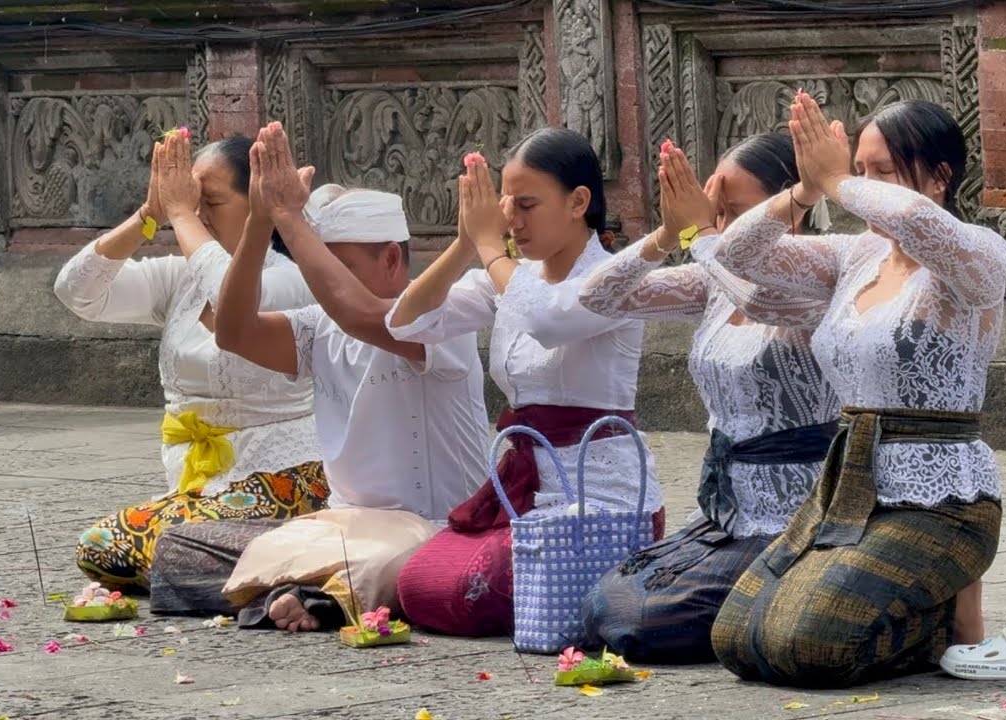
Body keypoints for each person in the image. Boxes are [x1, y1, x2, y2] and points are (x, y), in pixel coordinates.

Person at [705, 94, 1006, 687]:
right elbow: (735, 252)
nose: (864, 186)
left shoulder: (976, 253)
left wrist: (839, 179)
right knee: (738, 634)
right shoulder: (854, 256)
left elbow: (920, 223)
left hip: (942, 501)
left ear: (940, 176)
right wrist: (806, 191)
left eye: (883, 171)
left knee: (811, 641)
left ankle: (941, 626)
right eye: (861, 168)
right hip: (847, 490)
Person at [150, 122, 489, 631]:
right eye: (315, 266)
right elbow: (234, 331)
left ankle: (315, 592)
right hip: (341, 527)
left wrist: (288, 217)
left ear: (391, 258)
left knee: (399, 564)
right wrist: (261, 223)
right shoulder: (320, 325)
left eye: (334, 264)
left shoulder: (440, 316)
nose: (320, 283)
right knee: (178, 549)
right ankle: (308, 588)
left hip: (431, 530)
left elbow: (359, 314)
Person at [387, 128, 667, 637]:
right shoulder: (511, 278)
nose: (512, 220)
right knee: (416, 582)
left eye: (528, 204)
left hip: (599, 499)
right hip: (520, 491)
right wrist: (465, 243)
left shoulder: (613, 279)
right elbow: (405, 323)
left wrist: (493, 249)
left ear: (579, 201)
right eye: (506, 204)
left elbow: (549, 319)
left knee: (462, 594)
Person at [575, 133, 839, 663]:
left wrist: (700, 235)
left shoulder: (824, 278)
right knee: (602, 605)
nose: (720, 224)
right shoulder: (714, 278)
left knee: (640, 620)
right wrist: (670, 232)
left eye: (733, 211)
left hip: (796, 514)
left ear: (788, 207)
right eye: (714, 211)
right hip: (727, 514)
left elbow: (759, 296)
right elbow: (598, 296)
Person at [56, 130, 324, 589]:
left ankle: (279, 561)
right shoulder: (181, 278)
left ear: (255, 202)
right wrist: (150, 215)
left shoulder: (289, 280)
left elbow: (231, 301)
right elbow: (76, 292)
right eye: (191, 200)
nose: (198, 212)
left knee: (112, 543)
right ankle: (265, 567)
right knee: (115, 548)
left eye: (211, 202)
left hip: (285, 477)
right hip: (202, 489)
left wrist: (181, 215)